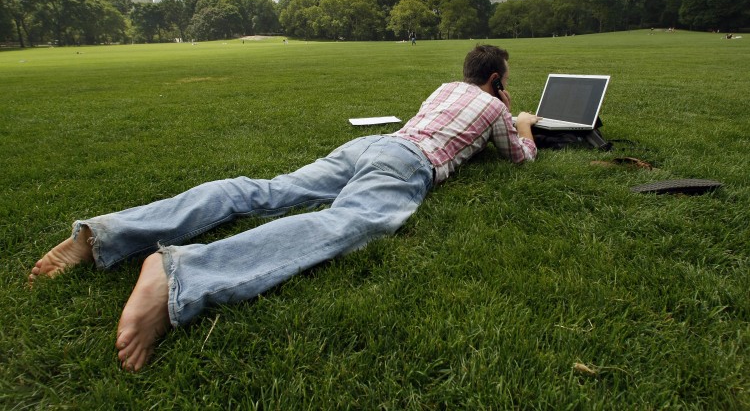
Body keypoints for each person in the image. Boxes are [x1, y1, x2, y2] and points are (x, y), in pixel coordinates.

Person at [29, 45, 540, 372]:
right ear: (496, 78)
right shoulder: (497, 106)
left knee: (265, 190)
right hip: (407, 164)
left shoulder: (445, 88)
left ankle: (106, 233)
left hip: (369, 146)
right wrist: (522, 124)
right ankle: (177, 272)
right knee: (343, 223)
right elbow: (517, 159)